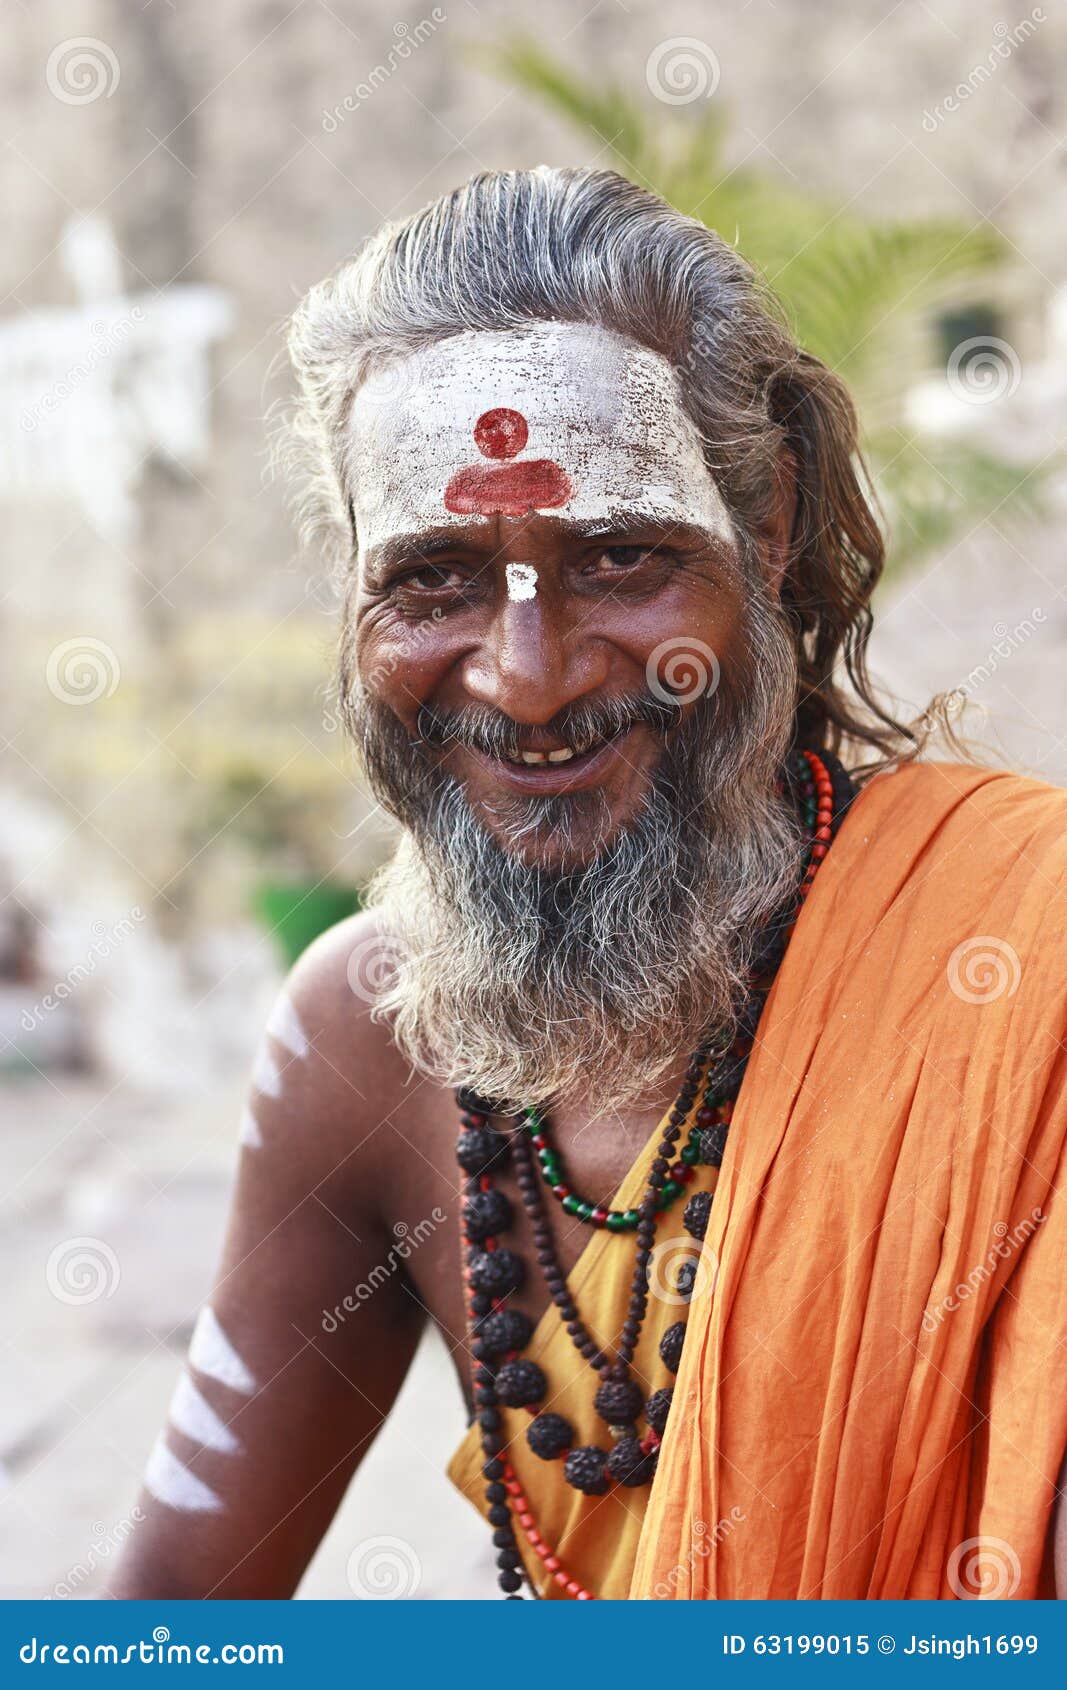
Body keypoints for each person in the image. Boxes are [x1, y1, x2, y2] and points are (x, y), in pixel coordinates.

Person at [112, 167, 1067, 1602]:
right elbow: (154, 1633)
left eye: (620, 557)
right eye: (431, 579)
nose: (531, 678)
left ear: (772, 533)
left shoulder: (1022, 966)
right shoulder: (363, 1044)